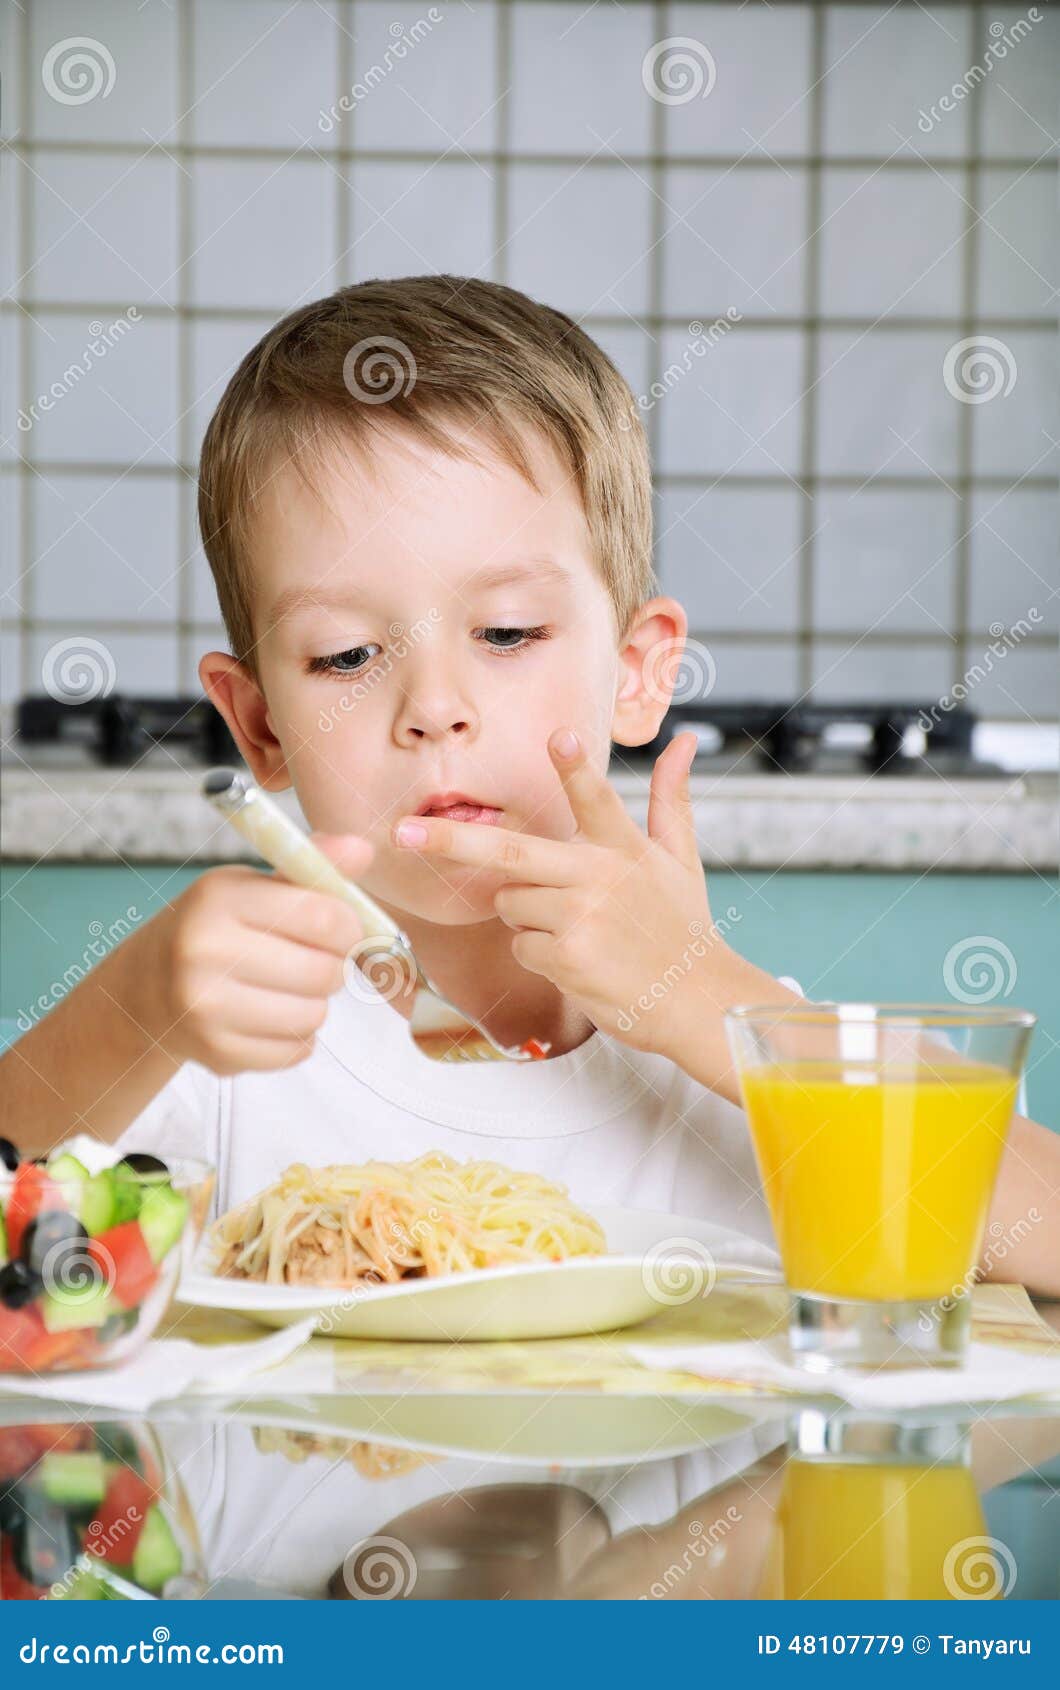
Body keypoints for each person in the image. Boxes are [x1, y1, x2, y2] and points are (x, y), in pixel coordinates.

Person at [4, 276, 1058, 1291]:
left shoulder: (752, 1056)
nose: (434, 705)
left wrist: (702, 996)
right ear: (260, 724)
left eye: (506, 632)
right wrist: (132, 1007)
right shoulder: (215, 1055)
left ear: (639, 673)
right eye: (345, 656)